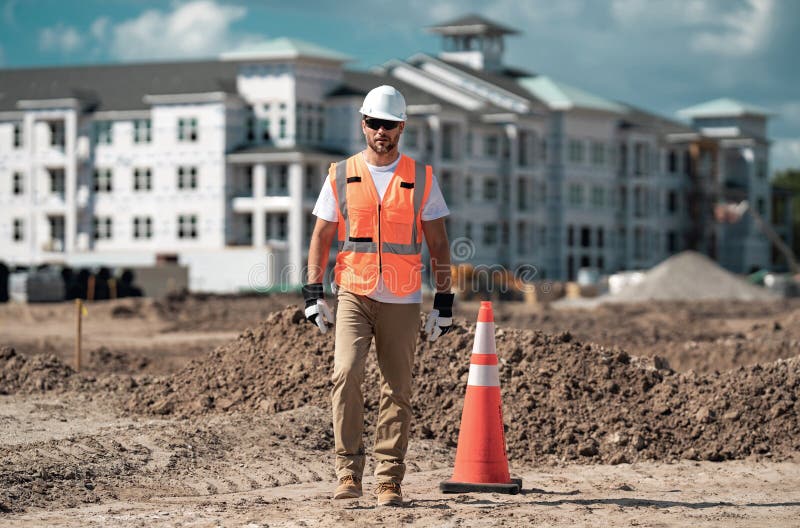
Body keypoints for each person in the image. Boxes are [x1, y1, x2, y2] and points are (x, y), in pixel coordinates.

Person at [303, 85, 454, 507]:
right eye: (374, 123)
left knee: (397, 388)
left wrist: (444, 302)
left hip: (403, 298)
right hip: (353, 292)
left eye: (389, 124)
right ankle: (348, 473)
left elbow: (439, 244)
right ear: (363, 124)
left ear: (402, 127)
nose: (381, 131)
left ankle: (389, 479)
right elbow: (322, 235)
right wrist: (313, 293)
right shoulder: (339, 174)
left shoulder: (422, 178)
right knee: (346, 375)